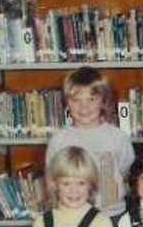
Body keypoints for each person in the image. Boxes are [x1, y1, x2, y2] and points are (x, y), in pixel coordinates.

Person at [45, 66, 135, 218]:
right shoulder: (59, 141)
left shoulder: (118, 138)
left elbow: (128, 175)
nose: (84, 106)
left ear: (103, 101)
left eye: (91, 99)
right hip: (72, 215)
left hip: (112, 215)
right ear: (67, 102)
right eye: (76, 100)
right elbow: (51, 181)